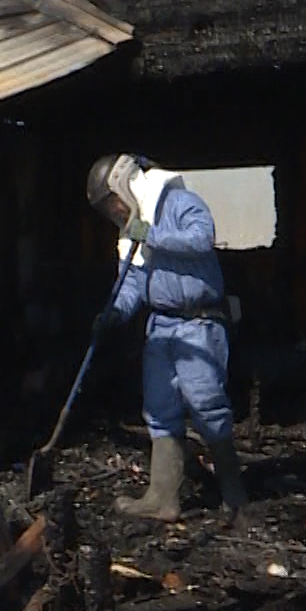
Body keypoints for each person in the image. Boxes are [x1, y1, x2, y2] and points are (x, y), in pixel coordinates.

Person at [86, 154, 249, 522]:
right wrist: (114, 312)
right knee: (159, 408)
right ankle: (162, 498)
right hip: (161, 326)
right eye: (107, 209)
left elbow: (201, 239)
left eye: (112, 202)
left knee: (206, 404)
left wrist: (151, 234)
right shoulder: (130, 230)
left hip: (199, 324)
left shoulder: (179, 203)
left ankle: (234, 493)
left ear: (125, 183)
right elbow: (132, 282)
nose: (114, 212)